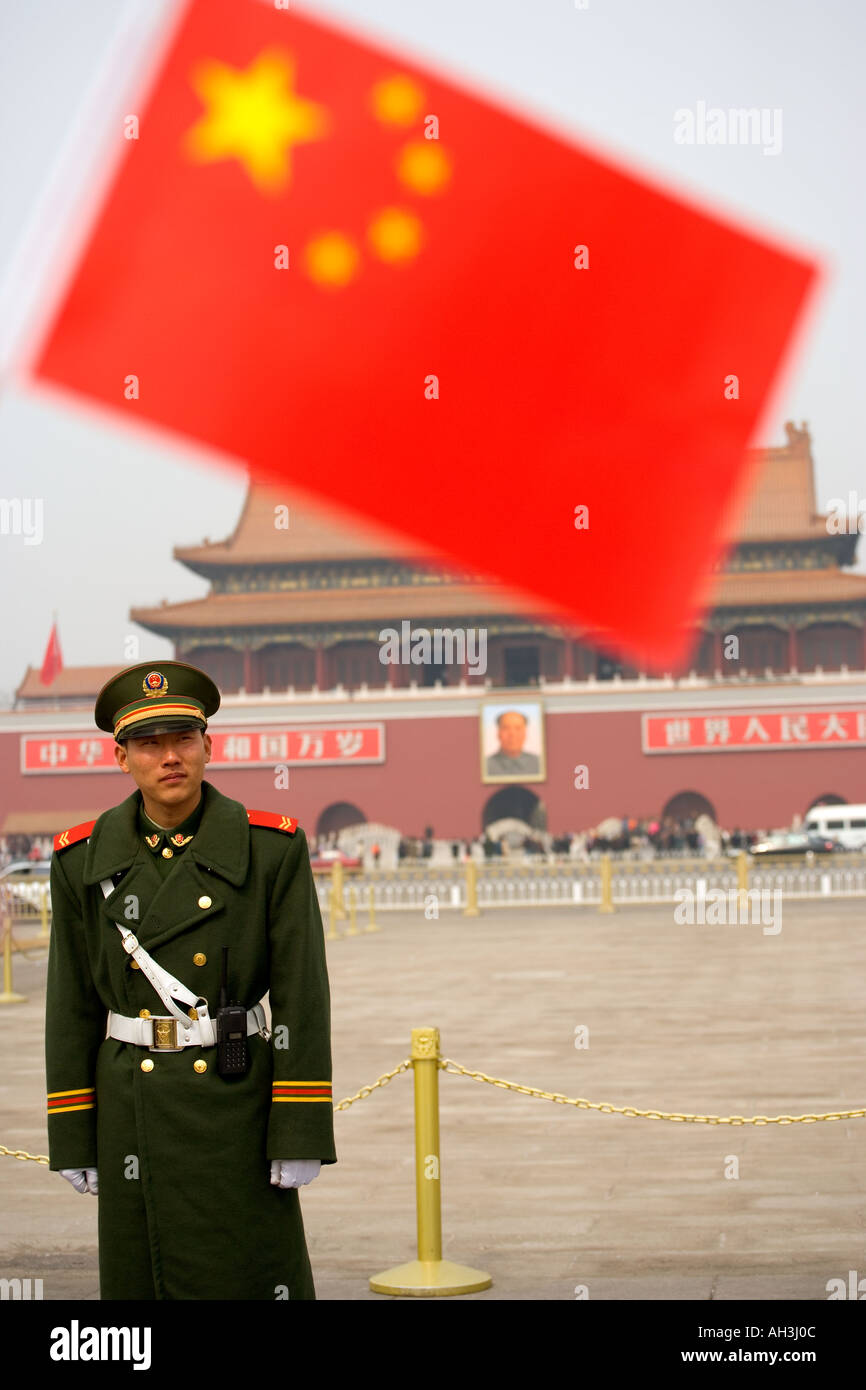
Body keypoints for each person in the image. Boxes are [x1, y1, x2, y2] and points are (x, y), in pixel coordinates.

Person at [45, 661, 336, 1300]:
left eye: (183, 739)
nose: (169, 757)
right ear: (121, 758)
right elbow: (70, 1005)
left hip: (235, 1095)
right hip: (131, 1103)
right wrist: (72, 1129)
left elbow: (301, 998)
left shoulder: (271, 849)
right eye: (149, 743)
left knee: (249, 1268)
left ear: (210, 745)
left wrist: (301, 1126)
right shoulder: (80, 860)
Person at [485, 710, 540, 776]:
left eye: (518, 728)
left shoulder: (538, 763)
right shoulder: (486, 765)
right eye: (506, 728)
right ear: (498, 733)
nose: (512, 734)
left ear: (525, 733)